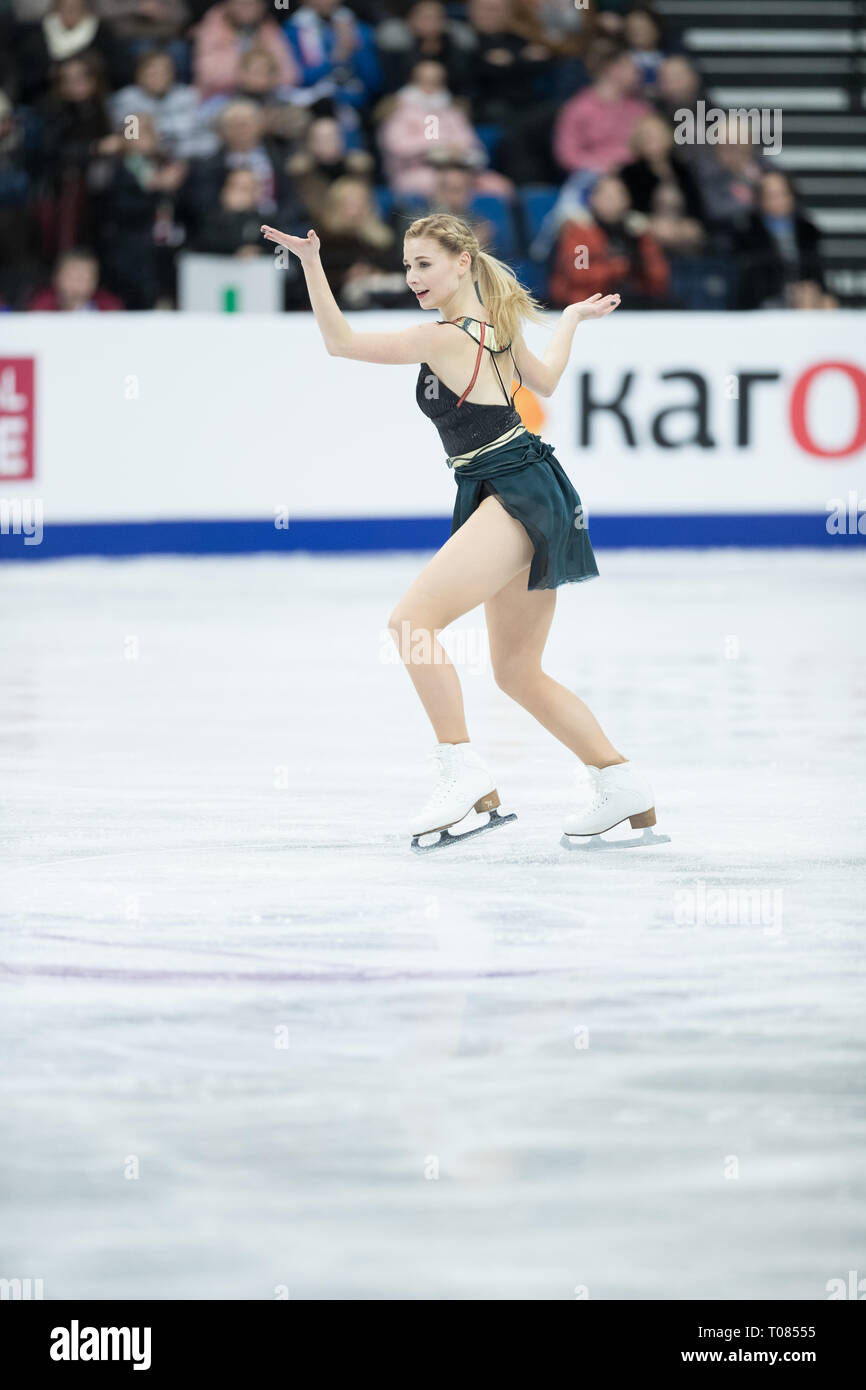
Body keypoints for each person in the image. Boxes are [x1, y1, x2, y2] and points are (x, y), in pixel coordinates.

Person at [260, 211, 668, 852]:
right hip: (524, 485)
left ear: (462, 263)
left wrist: (312, 265)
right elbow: (549, 378)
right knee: (517, 671)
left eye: (423, 264)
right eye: (406, 265)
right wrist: (567, 321)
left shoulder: (445, 336)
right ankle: (620, 784)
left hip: (513, 491)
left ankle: (463, 772)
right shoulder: (496, 327)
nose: (412, 276)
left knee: (411, 624)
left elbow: (340, 343)